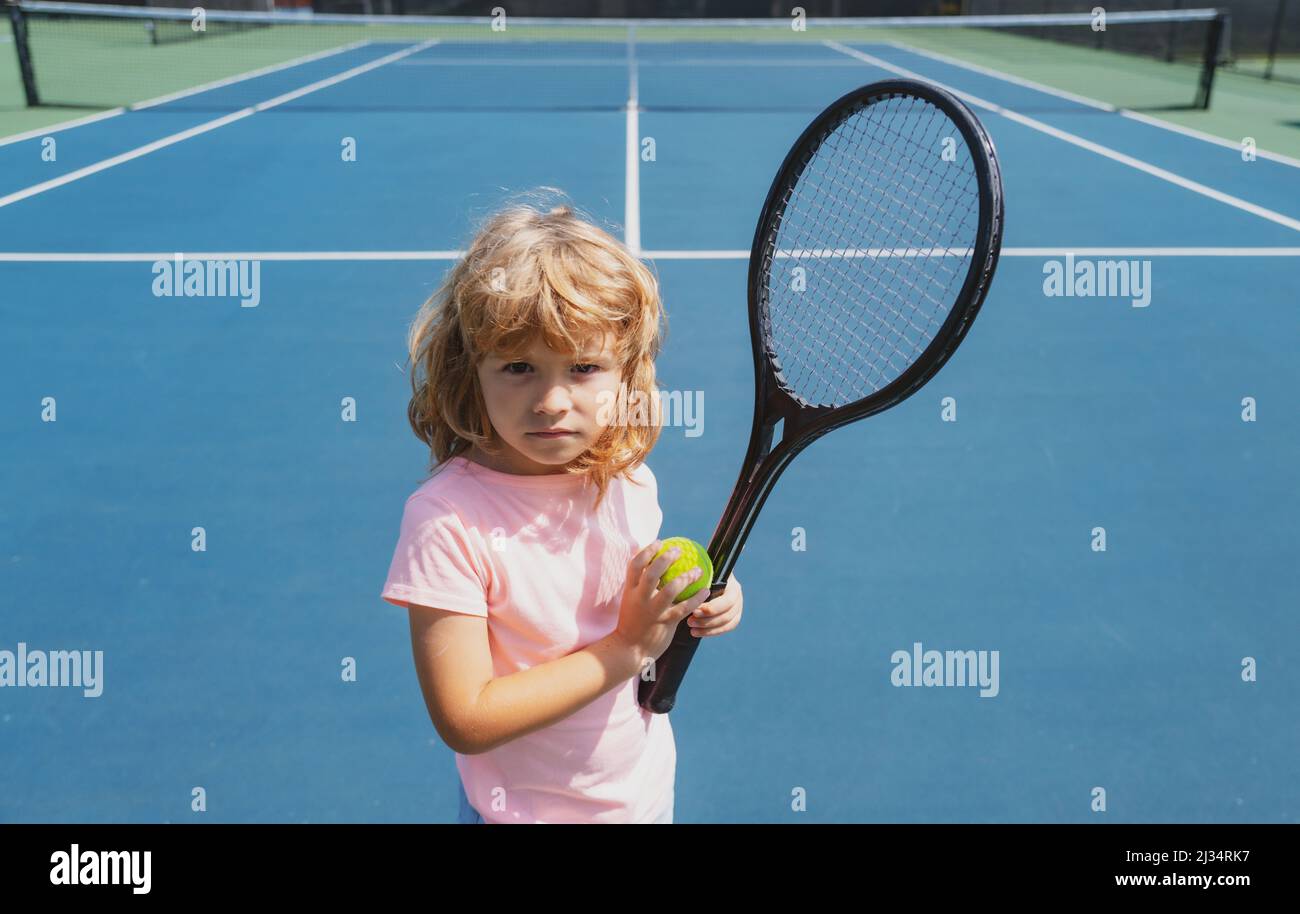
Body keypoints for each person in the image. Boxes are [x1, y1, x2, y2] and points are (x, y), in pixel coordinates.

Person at [380, 193, 744, 824]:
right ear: (473, 373)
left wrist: (701, 597)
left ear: (625, 377)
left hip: (642, 799)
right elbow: (466, 717)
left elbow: (627, 600)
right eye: (519, 367)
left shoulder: (626, 479)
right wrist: (630, 647)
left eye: (583, 368)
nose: (551, 401)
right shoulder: (447, 522)